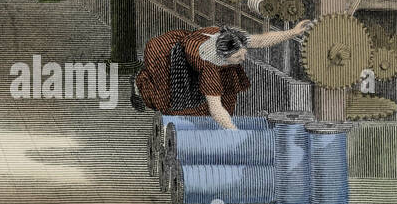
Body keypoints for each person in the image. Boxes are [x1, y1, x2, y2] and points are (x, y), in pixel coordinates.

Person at [131, 21, 312, 127]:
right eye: (238, 57)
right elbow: (215, 108)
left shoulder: (232, 39)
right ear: (223, 57)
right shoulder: (210, 66)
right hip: (167, 55)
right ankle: (139, 84)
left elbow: (262, 40)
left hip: (192, 50)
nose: (244, 57)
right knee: (166, 102)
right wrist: (234, 132)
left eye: (243, 53)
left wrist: (293, 32)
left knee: (226, 97)